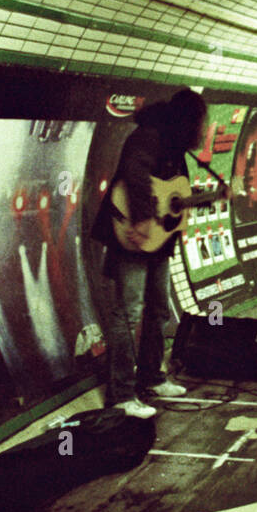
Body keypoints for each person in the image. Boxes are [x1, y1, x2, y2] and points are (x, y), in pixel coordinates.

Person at [90, 88, 210, 418]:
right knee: (128, 312)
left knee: (158, 309)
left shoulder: (175, 146)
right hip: (132, 234)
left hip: (157, 241)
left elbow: (174, 194)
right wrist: (143, 219)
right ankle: (121, 394)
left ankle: (152, 377)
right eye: (200, 121)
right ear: (187, 120)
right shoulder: (149, 136)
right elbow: (135, 173)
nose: (202, 128)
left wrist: (208, 198)